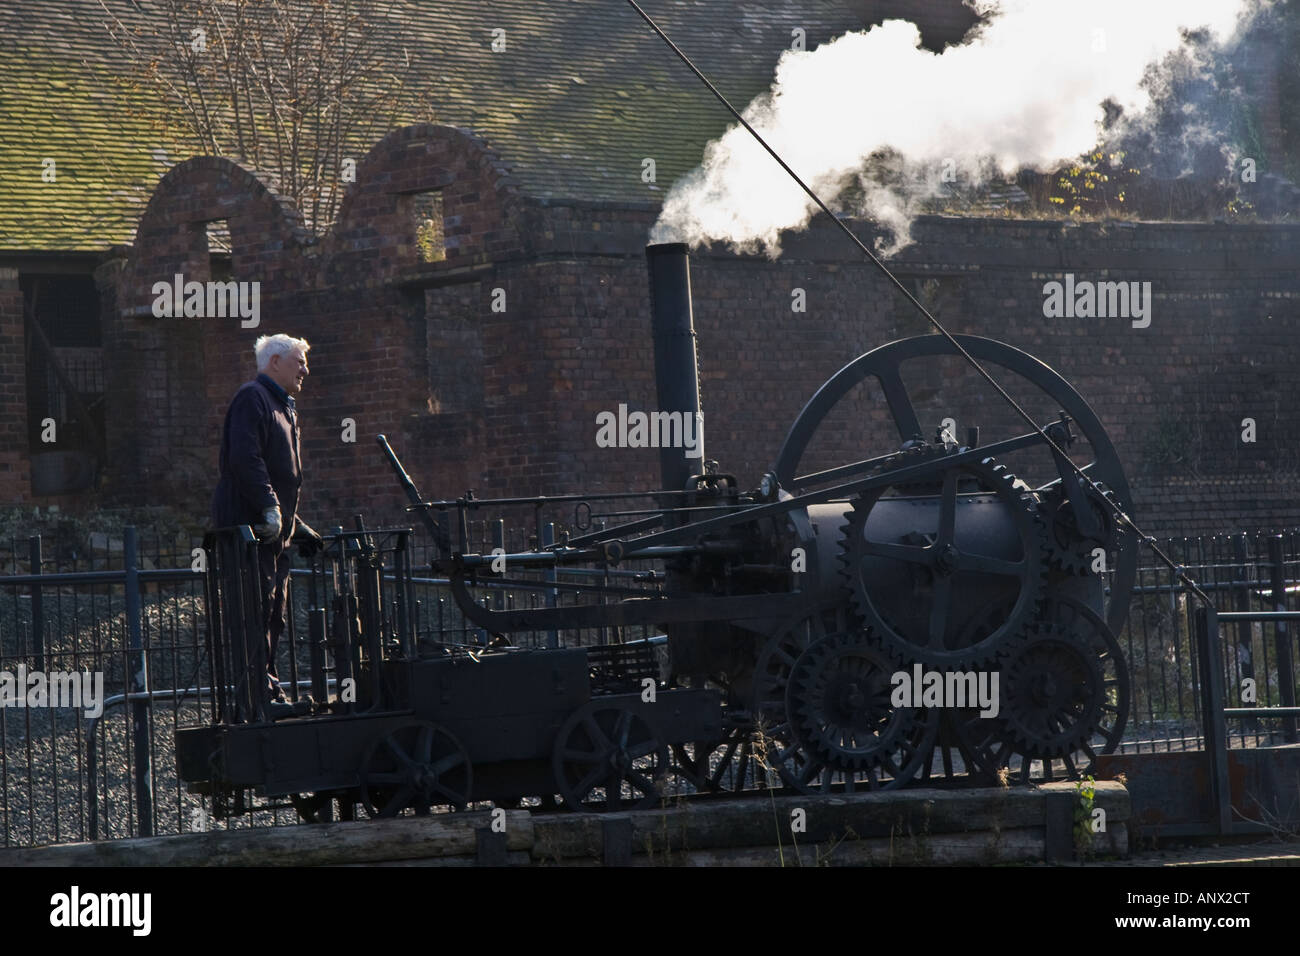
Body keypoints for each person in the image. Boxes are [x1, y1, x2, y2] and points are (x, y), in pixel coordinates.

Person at [211, 333, 323, 719]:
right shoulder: (253, 398)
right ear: (274, 362)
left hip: (273, 531)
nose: (305, 369)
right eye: (298, 361)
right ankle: (254, 696)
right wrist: (270, 508)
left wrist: (295, 523)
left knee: (273, 610)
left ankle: (267, 690)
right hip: (249, 529)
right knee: (252, 610)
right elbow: (246, 459)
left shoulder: (282, 406)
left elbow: (280, 473)